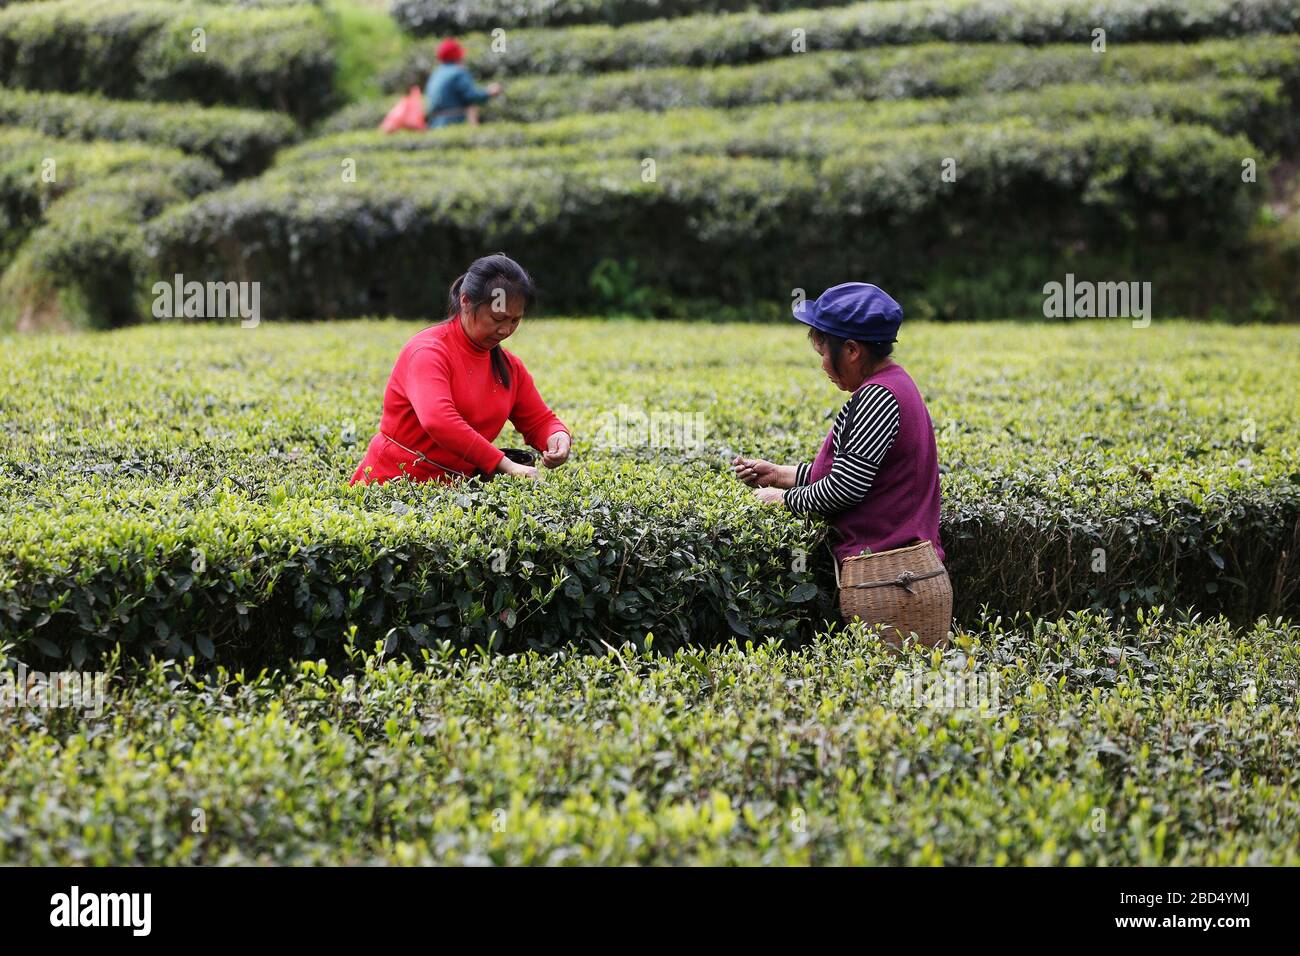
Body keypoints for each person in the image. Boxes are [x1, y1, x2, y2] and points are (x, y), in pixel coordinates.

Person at [732, 282, 944, 567]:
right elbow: (858, 472)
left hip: (888, 575)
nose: (823, 366)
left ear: (852, 350)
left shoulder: (877, 397)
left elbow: (845, 486)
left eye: (824, 354)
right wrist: (779, 474)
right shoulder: (896, 383)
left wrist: (782, 499)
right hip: (897, 571)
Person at [351, 254, 571, 485]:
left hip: (452, 494)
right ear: (466, 301)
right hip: (393, 486)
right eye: (498, 318)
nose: (506, 330)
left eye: (515, 321)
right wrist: (504, 464)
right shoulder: (428, 352)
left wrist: (557, 437)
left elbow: (539, 421)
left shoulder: (509, 366)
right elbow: (439, 420)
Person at [424, 37, 503, 128]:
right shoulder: (458, 72)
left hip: (435, 123)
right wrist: (489, 92)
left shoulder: (436, 72)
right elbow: (472, 96)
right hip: (453, 123)